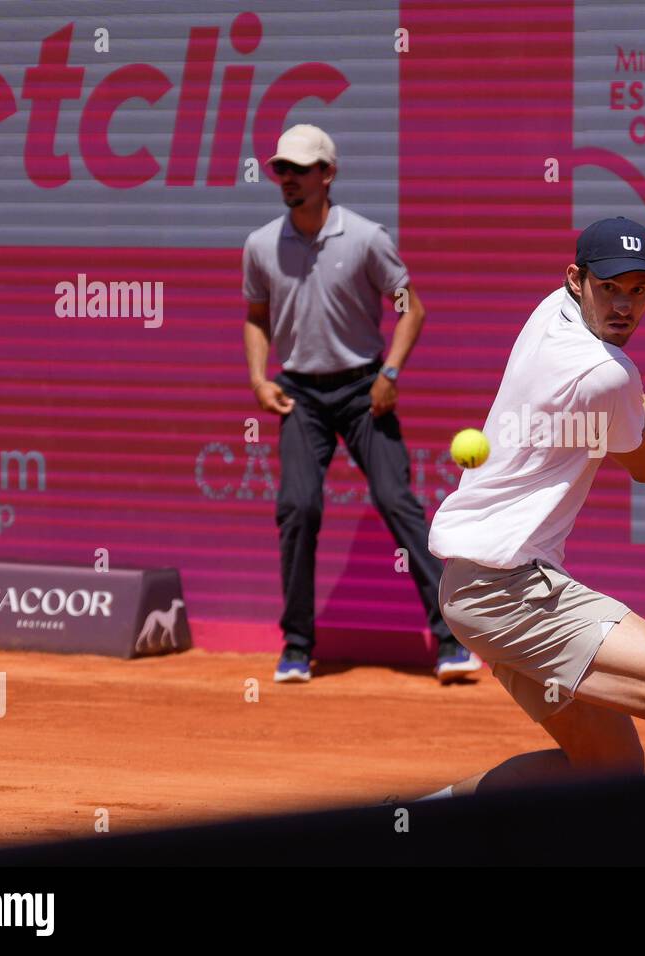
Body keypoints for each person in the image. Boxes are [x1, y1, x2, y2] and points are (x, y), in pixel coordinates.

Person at [422, 216, 645, 798]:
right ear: (577, 279)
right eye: (610, 287)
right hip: (511, 590)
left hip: (468, 590)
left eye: (639, 289)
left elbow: (622, 394)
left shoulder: (552, 311)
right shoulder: (605, 370)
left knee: (606, 768)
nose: (624, 304)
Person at [241, 124, 480, 685]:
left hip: (363, 391)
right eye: (281, 170)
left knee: (399, 504)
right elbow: (256, 317)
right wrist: (258, 379)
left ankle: (450, 641)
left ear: (327, 174)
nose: (288, 180)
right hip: (299, 393)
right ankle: (297, 646)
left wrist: (390, 374)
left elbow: (410, 308)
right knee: (298, 508)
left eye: (300, 170)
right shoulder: (260, 247)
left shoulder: (367, 239)